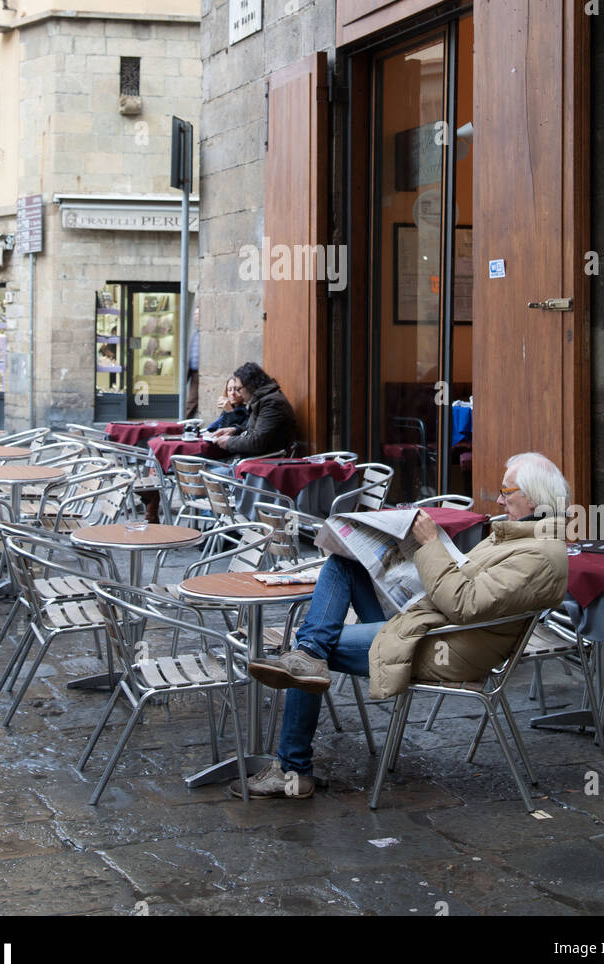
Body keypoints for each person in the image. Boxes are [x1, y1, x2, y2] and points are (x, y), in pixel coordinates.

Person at [232, 451, 570, 799]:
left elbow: (465, 603)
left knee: (313, 655)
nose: (499, 499)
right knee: (344, 564)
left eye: (506, 491)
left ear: (533, 497)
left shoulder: (539, 555)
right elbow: (462, 582)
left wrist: (429, 545)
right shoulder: (516, 537)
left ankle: (293, 769)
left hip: (443, 647)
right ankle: (309, 653)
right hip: (430, 622)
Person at [204, 362, 296, 457]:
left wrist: (229, 441)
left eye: (238, 389)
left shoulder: (272, 403)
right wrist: (235, 430)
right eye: (230, 389)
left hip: (260, 464)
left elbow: (257, 442)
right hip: (252, 460)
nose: (238, 393)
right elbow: (258, 430)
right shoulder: (263, 399)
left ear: (250, 385)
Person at [185, 307, 199, 418]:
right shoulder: (195, 333)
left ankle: (185, 423)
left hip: (200, 372)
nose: (196, 317)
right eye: (195, 314)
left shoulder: (202, 334)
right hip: (194, 372)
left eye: (198, 314)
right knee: (191, 400)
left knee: (192, 401)